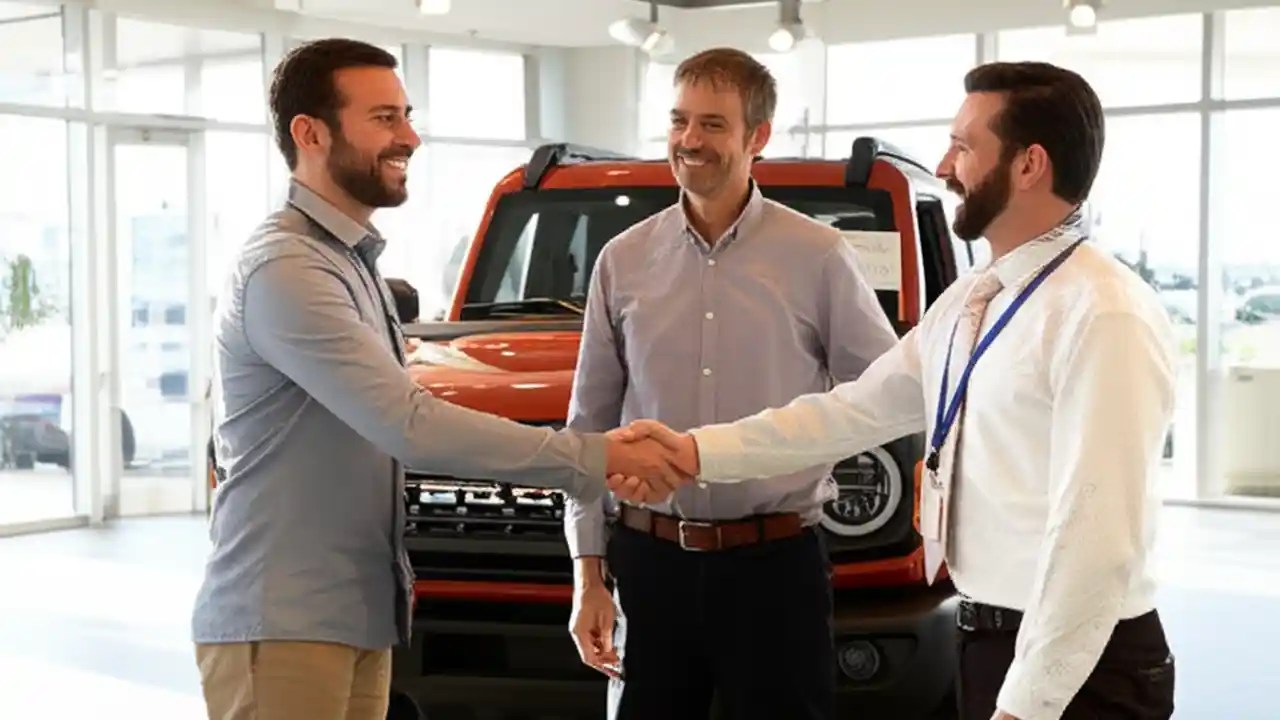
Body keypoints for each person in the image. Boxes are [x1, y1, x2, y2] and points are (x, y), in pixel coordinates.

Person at [616, 61, 1178, 720]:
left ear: (1029, 165)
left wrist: (1027, 705)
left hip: (1081, 665)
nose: (944, 167)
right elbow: (847, 413)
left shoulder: (1103, 313)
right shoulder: (974, 301)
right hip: (994, 639)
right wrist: (694, 452)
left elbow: (1097, 539)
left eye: (963, 146)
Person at [193, 38, 687, 720]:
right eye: (384, 118)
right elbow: (409, 424)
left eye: (406, 115)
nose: (410, 137)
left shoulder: (349, 263)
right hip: (284, 620)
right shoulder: (288, 269)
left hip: (351, 614)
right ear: (310, 133)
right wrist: (597, 458)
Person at [563, 47, 898, 720]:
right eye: (679, 120)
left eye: (713, 124)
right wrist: (587, 574)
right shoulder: (622, 260)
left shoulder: (818, 257)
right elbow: (587, 428)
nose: (690, 140)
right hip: (649, 565)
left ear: (758, 136)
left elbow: (884, 396)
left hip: (776, 568)